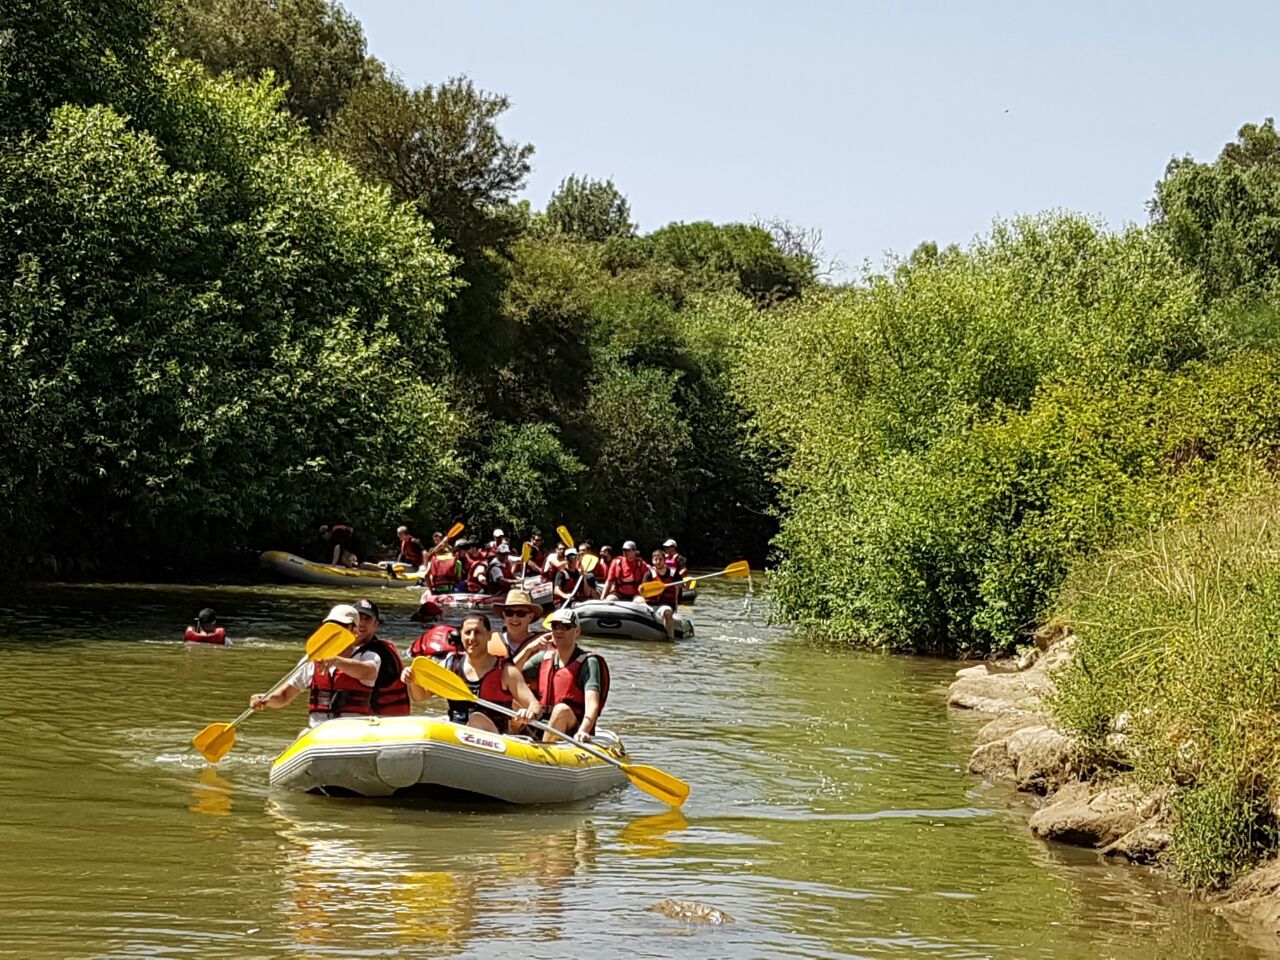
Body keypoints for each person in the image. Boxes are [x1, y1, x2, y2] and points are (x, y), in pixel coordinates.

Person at [249, 601, 410, 726]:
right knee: (301, 736)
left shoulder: (368, 656)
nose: (335, 631)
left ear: (354, 631)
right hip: (318, 732)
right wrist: (267, 699)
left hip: (353, 732)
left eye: (342, 626)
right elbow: (284, 696)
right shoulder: (312, 660)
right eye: (332, 626)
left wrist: (336, 660)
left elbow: (368, 672)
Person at [402, 613, 540, 735]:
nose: (472, 638)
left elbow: (534, 704)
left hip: (493, 738)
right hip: (457, 733)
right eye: (467, 632)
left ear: (489, 635)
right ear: (460, 636)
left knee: (478, 720)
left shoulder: (506, 671)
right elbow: (420, 697)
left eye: (478, 632)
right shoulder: (450, 664)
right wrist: (412, 680)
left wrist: (528, 712)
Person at [525, 608, 608, 742]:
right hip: (541, 721)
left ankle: (543, 750)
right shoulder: (544, 657)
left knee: (561, 710)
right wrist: (529, 649)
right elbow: (511, 676)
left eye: (565, 626)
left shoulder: (588, 662)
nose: (559, 630)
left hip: (572, 727)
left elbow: (592, 704)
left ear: (577, 631)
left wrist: (584, 731)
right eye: (555, 626)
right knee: (515, 699)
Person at [494, 589, 545, 675]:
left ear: (530, 617)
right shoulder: (490, 641)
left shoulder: (543, 643)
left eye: (521, 613)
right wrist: (528, 650)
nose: (514, 618)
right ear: (504, 615)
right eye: (509, 613)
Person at [643, 549, 679, 640]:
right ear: (652, 561)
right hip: (651, 605)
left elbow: (683, 587)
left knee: (667, 612)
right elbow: (643, 591)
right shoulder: (649, 575)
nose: (658, 562)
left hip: (666, 605)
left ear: (664, 560)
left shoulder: (674, 574)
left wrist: (687, 583)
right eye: (656, 559)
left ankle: (670, 638)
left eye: (660, 559)